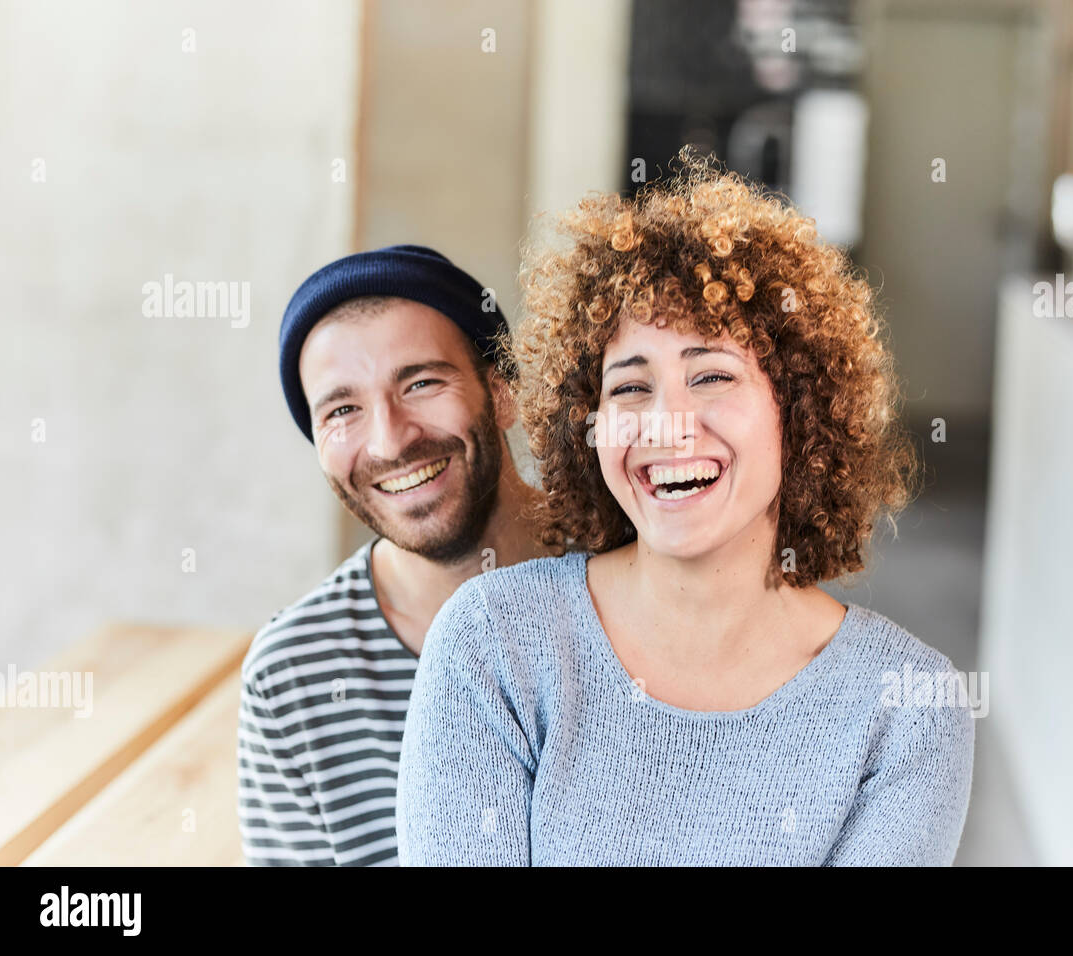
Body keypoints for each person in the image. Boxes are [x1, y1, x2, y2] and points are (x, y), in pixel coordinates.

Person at [395, 155, 975, 866]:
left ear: (798, 409)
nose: (668, 424)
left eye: (711, 376)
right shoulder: (492, 647)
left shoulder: (907, 709)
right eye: (631, 389)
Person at [238, 245, 545, 865]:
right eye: (342, 410)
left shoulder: (640, 578)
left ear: (502, 390)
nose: (390, 439)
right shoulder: (293, 675)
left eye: (422, 382)